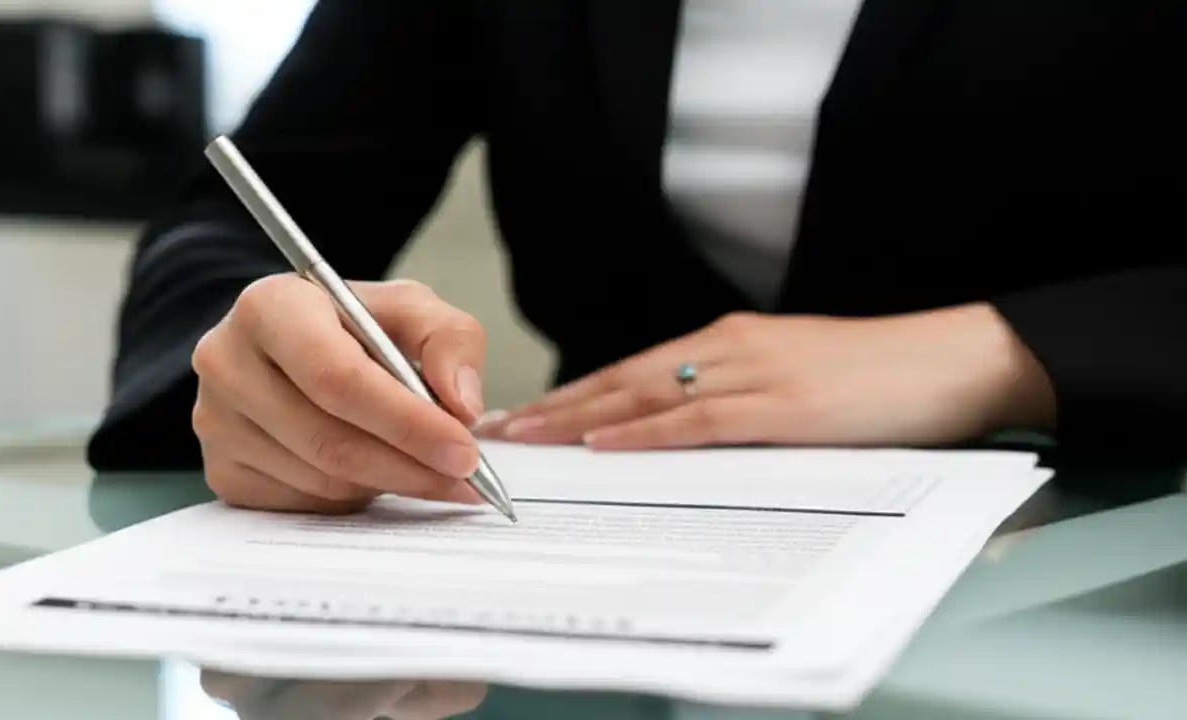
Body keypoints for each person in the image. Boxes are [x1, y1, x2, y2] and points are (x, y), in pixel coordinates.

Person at [88, 0, 1186, 513]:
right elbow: (234, 223)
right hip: (601, 548)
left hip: (1103, 537)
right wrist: (271, 358)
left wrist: (1008, 352)